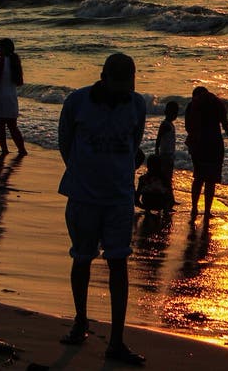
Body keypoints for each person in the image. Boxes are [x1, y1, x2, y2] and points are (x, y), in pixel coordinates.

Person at [58, 52, 146, 366]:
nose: (124, 92)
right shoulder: (77, 102)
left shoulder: (136, 104)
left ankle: (117, 340)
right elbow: (65, 143)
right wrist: (84, 174)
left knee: (118, 262)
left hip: (119, 198)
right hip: (83, 196)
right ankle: (80, 321)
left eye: (129, 84)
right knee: (82, 258)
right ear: (104, 78)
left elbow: (134, 144)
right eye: (119, 85)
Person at [184, 86, 228, 225]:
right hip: (215, 144)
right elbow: (225, 125)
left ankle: (194, 208)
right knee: (211, 180)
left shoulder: (192, 105)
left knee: (198, 177)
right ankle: (207, 211)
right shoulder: (217, 104)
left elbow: (188, 127)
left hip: (198, 145)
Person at [155, 101, 178, 207]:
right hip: (165, 155)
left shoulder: (170, 124)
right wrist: (156, 152)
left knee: (168, 177)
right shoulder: (165, 125)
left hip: (169, 155)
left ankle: (170, 199)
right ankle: (168, 200)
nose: (176, 115)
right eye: (174, 112)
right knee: (166, 178)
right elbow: (158, 138)